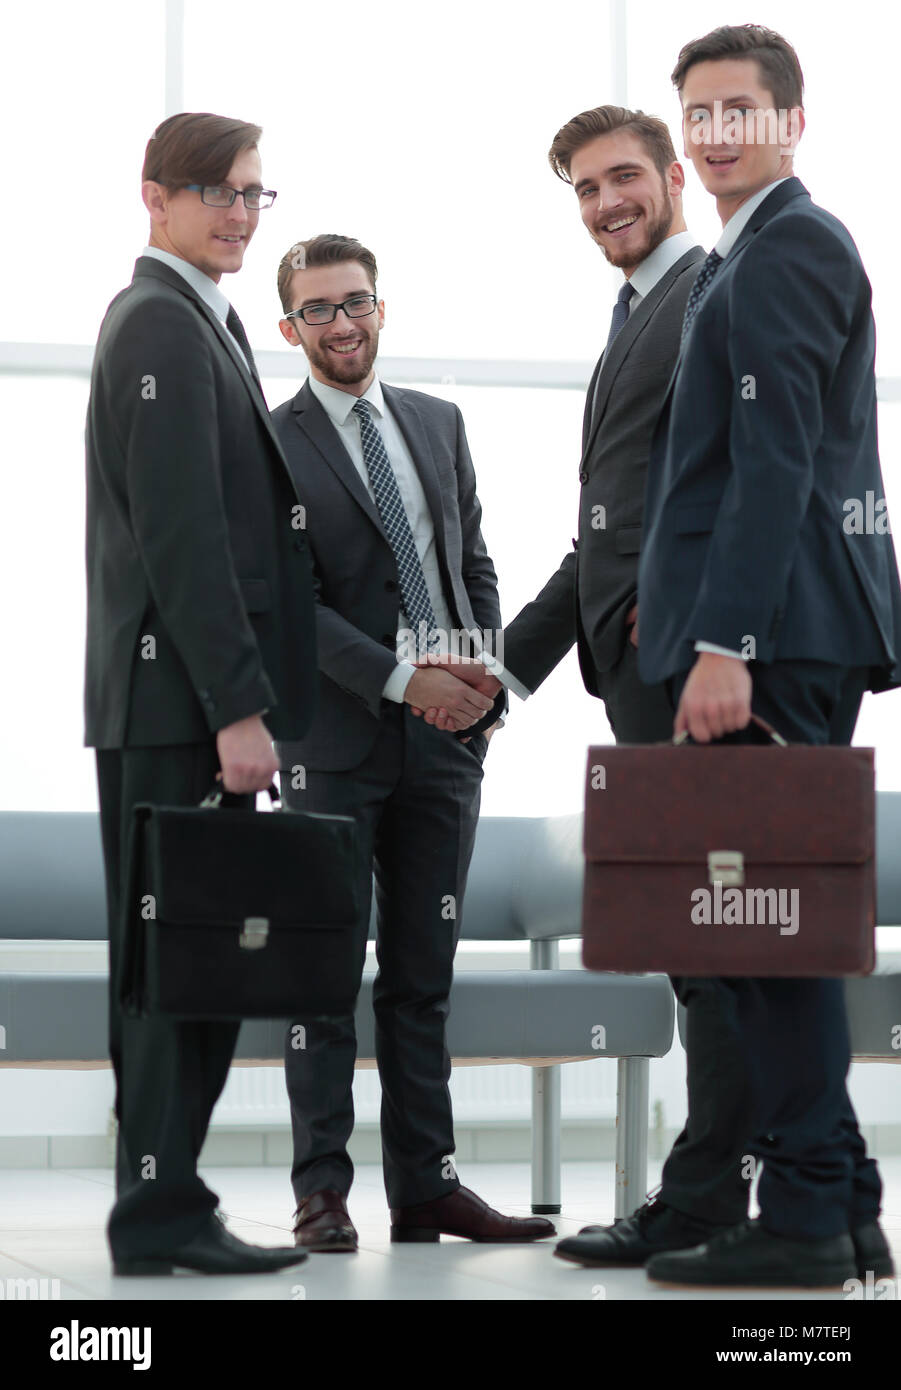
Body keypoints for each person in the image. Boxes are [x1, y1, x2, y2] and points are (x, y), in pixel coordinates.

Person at [636, 24, 901, 1287]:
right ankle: (839, 1200)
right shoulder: (759, 251)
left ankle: (803, 1214)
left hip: (779, 635)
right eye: (698, 112)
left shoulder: (790, 246)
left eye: (740, 109)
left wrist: (721, 638)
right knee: (768, 927)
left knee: (763, 930)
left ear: (790, 121)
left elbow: (774, 462)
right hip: (785, 626)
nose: (717, 131)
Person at [270, 234, 553, 1250]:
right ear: (289, 326)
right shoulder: (271, 441)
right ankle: (321, 1192)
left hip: (446, 747)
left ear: (380, 308)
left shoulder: (437, 422)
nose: (341, 324)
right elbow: (287, 608)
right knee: (321, 978)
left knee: (421, 977)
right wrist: (401, 679)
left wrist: (476, 688)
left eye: (355, 303)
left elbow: (467, 560)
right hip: (333, 745)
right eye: (319, 310)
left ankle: (427, 1187)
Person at [85, 112, 316, 1276]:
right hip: (177, 710)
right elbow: (182, 540)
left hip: (187, 705)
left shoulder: (198, 323)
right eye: (215, 191)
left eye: (252, 193)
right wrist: (235, 707)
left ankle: (171, 1201)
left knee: (200, 970)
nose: (236, 212)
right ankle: (157, 1213)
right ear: (154, 196)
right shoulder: (161, 327)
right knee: (173, 978)